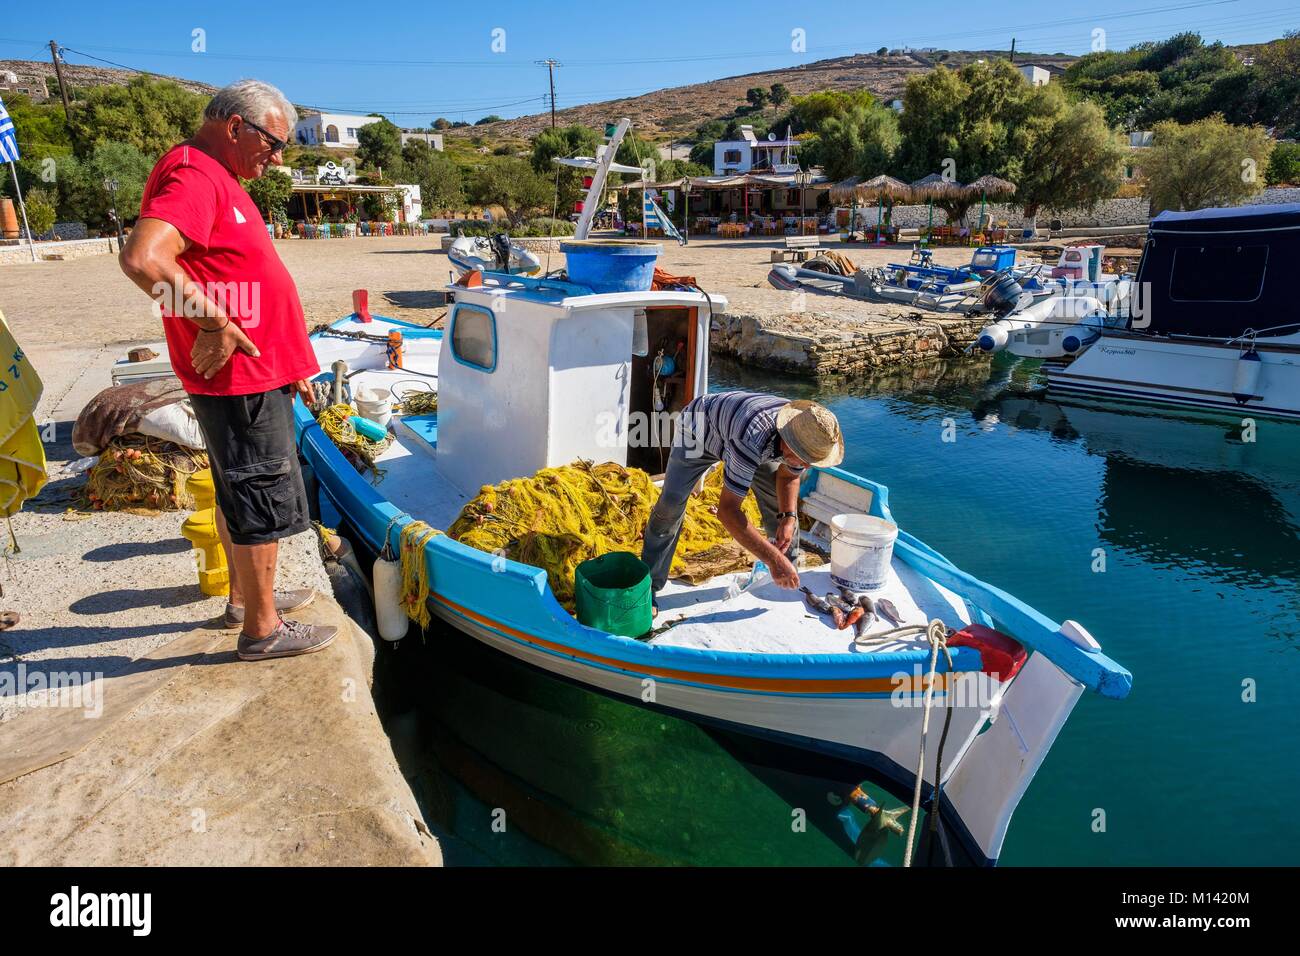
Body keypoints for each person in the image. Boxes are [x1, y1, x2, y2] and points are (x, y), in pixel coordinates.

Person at [119, 80, 334, 662]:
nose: (280, 156)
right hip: (239, 379)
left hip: (252, 376)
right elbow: (143, 258)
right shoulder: (195, 173)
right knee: (260, 492)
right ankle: (262, 631)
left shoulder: (218, 176)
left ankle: (246, 599)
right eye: (274, 142)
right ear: (236, 127)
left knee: (238, 488)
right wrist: (213, 324)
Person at [641, 392, 844, 599]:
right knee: (670, 505)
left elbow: (788, 478)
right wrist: (772, 559)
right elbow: (728, 512)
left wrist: (788, 518)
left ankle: (784, 581)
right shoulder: (750, 439)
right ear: (788, 441)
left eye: (811, 460)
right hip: (699, 430)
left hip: (750, 440)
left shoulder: (805, 435)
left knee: (780, 506)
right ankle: (649, 587)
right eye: (804, 458)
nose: (807, 465)